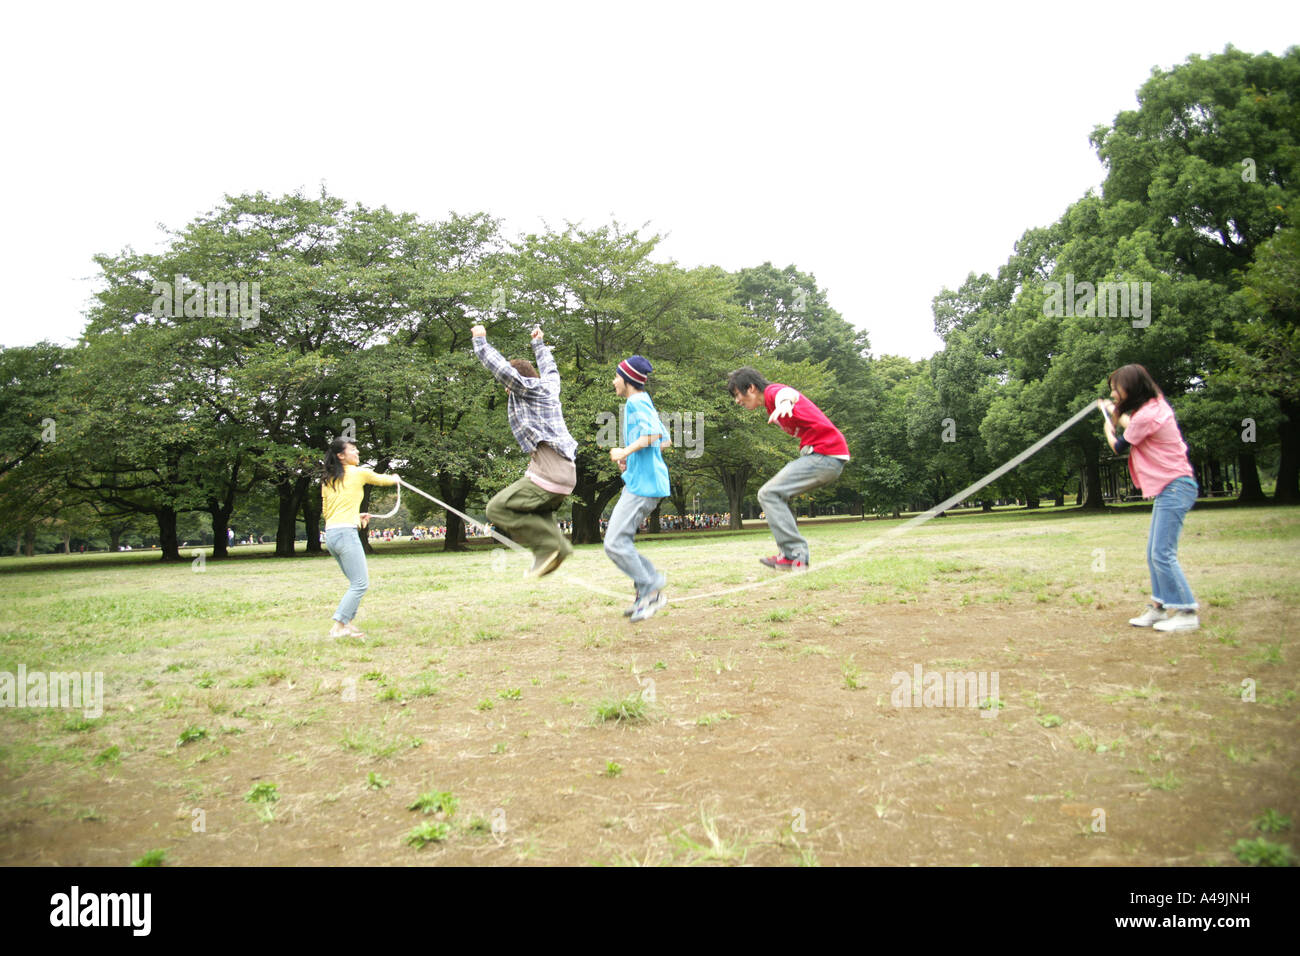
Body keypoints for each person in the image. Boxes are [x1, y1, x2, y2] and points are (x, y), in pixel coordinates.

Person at [1100, 364, 1200, 632]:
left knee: (1162, 554)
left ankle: (1187, 611)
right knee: (1154, 553)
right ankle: (1159, 608)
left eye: (1115, 389)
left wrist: (1107, 428)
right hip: (1173, 487)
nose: (1113, 393)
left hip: (1175, 486)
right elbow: (1135, 426)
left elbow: (1120, 445)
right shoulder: (1154, 409)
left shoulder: (1148, 415)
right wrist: (1113, 411)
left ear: (1130, 387)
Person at [472, 324, 577, 578]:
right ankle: (555, 548)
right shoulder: (550, 386)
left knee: (496, 508)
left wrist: (480, 342)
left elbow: (504, 372)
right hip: (565, 473)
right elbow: (551, 369)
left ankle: (550, 546)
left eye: (508, 387)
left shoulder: (529, 388)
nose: (507, 391)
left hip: (550, 472)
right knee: (533, 511)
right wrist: (539, 345)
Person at [727, 367, 850, 570]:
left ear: (751, 388)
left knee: (769, 493)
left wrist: (784, 402)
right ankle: (794, 555)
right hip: (826, 456)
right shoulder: (768, 404)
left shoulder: (773, 392)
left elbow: (788, 393)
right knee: (774, 494)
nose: (737, 401)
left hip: (826, 455)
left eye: (737, 395)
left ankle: (794, 555)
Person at [605, 355, 671, 622]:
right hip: (644, 482)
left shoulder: (634, 402)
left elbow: (655, 436)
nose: (613, 381)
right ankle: (647, 587)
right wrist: (629, 459)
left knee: (614, 543)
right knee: (620, 542)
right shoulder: (644, 402)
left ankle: (651, 590)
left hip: (643, 486)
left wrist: (625, 449)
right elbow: (664, 441)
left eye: (616, 376)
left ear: (627, 379)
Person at [321, 437, 399, 639]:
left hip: (331, 535)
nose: (357, 453)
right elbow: (384, 480)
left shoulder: (328, 479)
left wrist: (355, 517)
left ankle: (347, 623)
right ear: (341, 456)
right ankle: (338, 626)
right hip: (346, 535)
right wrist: (396, 478)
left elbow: (328, 512)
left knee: (355, 582)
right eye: (353, 450)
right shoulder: (358, 473)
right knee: (360, 583)